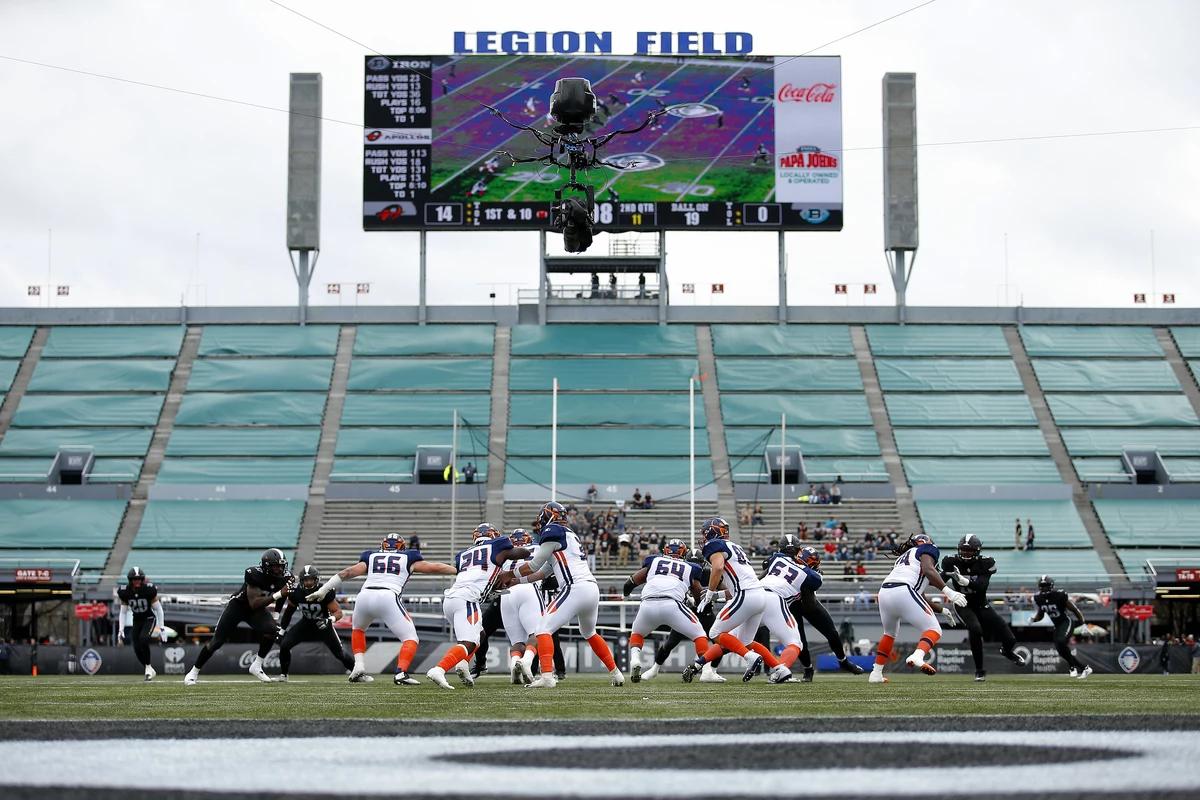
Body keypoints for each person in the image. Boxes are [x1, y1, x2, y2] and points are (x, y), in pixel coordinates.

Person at [305, 533, 456, 685]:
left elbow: (347, 573)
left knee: (358, 629)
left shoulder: (371, 556)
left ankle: (358, 666)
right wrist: (458, 570)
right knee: (410, 638)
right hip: (387, 596)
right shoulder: (409, 557)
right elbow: (436, 567)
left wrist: (323, 590)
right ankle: (401, 673)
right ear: (401, 547)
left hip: (364, 596)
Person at [513, 502, 625, 688]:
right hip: (591, 588)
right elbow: (542, 573)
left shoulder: (553, 531)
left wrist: (510, 574)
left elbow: (533, 565)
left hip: (575, 588)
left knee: (542, 629)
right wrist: (517, 581)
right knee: (589, 632)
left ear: (547, 516)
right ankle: (616, 673)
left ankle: (547, 677)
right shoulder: (568, 536)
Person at [426, 523, 532, 690]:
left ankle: (464, 666)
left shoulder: (463, 554)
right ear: (494, 536)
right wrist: (518, 551)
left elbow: (478, 574)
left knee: (480, 634)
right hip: (467, 600)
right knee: (469, 641)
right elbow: (523, 553)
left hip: (451, 599)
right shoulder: (498, 544)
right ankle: (439, 669)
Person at [681, 518, 778, 684]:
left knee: (715, 633)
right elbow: (732, 584)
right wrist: (716, 594)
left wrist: (711, 593)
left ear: (712, 532)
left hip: (745, 594)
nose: (703, 537)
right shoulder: (735, 546)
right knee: (745, 641)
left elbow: (718, 567)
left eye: (705, 533)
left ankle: (750, 657)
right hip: (759, 595)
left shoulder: (714, 546)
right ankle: (780, 669)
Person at [868, 534, 967, 684]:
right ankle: (917, 656)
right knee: (934, 629)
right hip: (904, 590)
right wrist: (949, 592)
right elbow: (928, 570)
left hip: (884, 592)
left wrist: (942, 611)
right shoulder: (928, 548)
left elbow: (921, 595)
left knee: (889, 634)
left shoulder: (904, 560)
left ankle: (876, 674)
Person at [184, 549, 293, 685]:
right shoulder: (253, 574)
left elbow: (283, 596)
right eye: (276, 566)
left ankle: (256, 666)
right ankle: (193, 672)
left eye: (282, 566)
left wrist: (276, 615)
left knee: (271, 630)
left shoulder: (287, 577)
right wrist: (278, 594)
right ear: (266, 566)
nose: (279, 569)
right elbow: (254, 603)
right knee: (216, 642)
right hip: (239, 606)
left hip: (256, 611)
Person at [940, 535, 1026, 681]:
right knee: (976, 630)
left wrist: (962, 580)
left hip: (981, 604)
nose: (966, 553)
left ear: (977, 551)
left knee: (1010, 638)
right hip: (963, 604)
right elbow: (940, 581)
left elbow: (980, 585)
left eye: (970, 550)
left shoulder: (985, 563)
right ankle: (979, 670)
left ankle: (1007, 651)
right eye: (963, 550)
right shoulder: (951, 562)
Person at [623, 539, 709, 683]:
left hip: (648, 604)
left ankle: (635, 659)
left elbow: (630, 582)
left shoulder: (653, 560)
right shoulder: (690, 567)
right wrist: (696, 602)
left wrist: (625, 596)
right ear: (683, 553)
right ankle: (705, 670)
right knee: (699, 634)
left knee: (637, 633)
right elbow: (698, 594)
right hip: (671, 604)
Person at [276, 565, 356, 682]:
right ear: (301, 581)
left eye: (311, 579)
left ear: (316, 579)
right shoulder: (296, 592)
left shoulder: (324, 591)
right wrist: (282, 631)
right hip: (306, 623)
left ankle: (357, 673)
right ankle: (283, 675)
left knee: (339, 654)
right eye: (306, 580)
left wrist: (329, 620)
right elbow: (289, 612)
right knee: (284, 646)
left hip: (323, 624)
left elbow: (338, 612)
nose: (308, 583)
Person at [1031, 575, 1091, 678]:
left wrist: (1083, 623)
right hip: (1057, 626)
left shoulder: (1059, 596)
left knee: (1061, 642)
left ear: (1051, 586)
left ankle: (1072, 667)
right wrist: (1033, 619)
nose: (1045, 588)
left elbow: (1075, 610)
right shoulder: (1039, 598)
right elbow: (1041, 614)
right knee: (1060, 649)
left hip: (1066, 622)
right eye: (1043, 586)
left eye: (1046, 586)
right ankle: (1084, 668)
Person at [117, 566, 166, 681]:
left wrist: (162, 627)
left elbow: (158, 609)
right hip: (137, 619)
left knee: (143, 638)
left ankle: (148, 668)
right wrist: (121, 629)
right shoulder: (125, 592)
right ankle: (148, 668)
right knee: (136, 646)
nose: (137, 582)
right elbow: (123, 612)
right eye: (135, 579)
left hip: (149, 618)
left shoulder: (148, 590)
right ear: (130, 580)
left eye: (139, 579)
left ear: (143, 579)